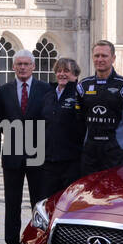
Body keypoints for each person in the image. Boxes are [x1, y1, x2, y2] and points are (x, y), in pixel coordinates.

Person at [0, 49, 51, 244]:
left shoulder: (46, 89)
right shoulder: (3, 91)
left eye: (26, 63)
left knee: (39, 204)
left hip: (39, 155)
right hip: (13, 155)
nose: (23, 67)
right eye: (19, 64)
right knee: (12, 203)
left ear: (33, 66)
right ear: (13, 67)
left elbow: (48, 120)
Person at [78, 40, 123, 176]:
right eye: (97, 56)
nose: (100, 59)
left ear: (113, 58)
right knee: (88, 195)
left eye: (104, 56)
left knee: (117, 196)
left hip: (117, 155)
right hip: (90, 156)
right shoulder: (83, 86)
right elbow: (78, 122)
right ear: (92, 57)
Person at [42, 57, 84, 197]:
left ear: (75, 74)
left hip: (71, 161)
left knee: (68, 202)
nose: (62, 74)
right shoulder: (49, 95)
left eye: (66, 71)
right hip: (49, 162)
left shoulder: (80, 94)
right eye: (59, 71)